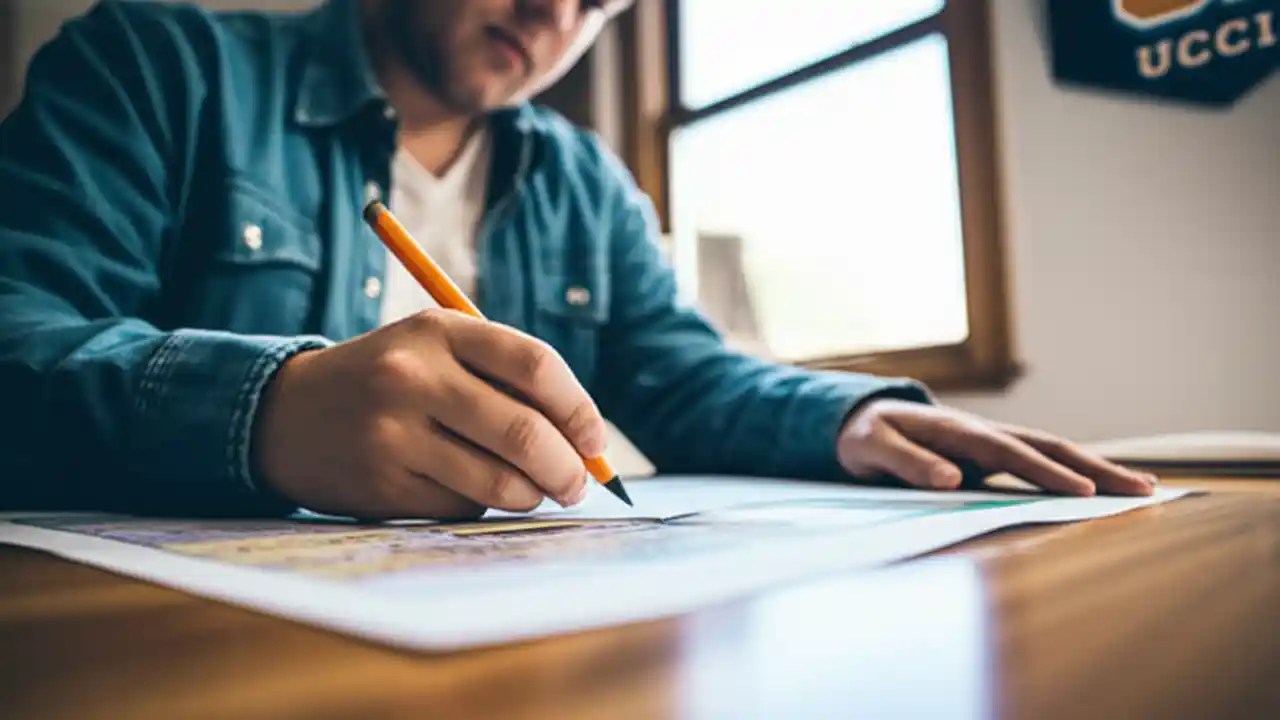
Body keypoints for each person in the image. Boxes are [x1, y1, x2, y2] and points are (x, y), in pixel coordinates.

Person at [0, 0, 1155, 519]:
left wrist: (845, 420)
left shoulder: (585, 177)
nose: (554, 12)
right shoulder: (153, 64)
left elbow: (678, 371)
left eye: (600, 2)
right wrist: (263, 413)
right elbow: (19, 330)